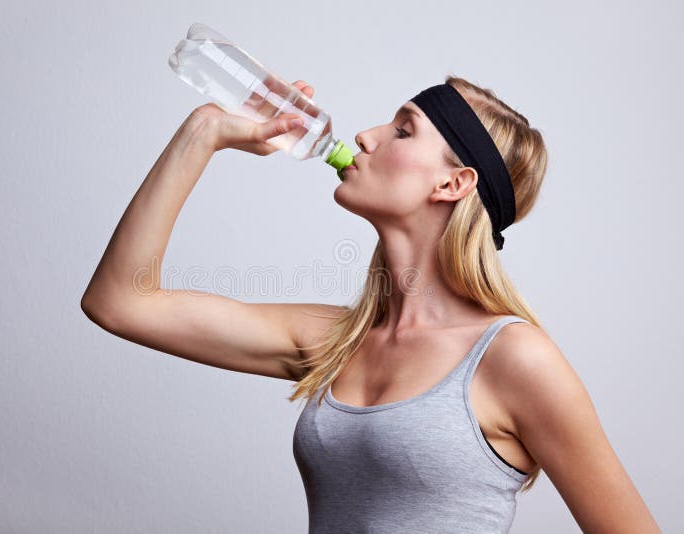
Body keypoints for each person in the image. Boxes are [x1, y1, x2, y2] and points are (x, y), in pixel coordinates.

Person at [80, 76, 660, 533]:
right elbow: (120, 302)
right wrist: (203, 131)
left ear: (453, 184)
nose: (366, 135)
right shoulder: (336, 342)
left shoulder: (514, 360)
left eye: (403, 131)